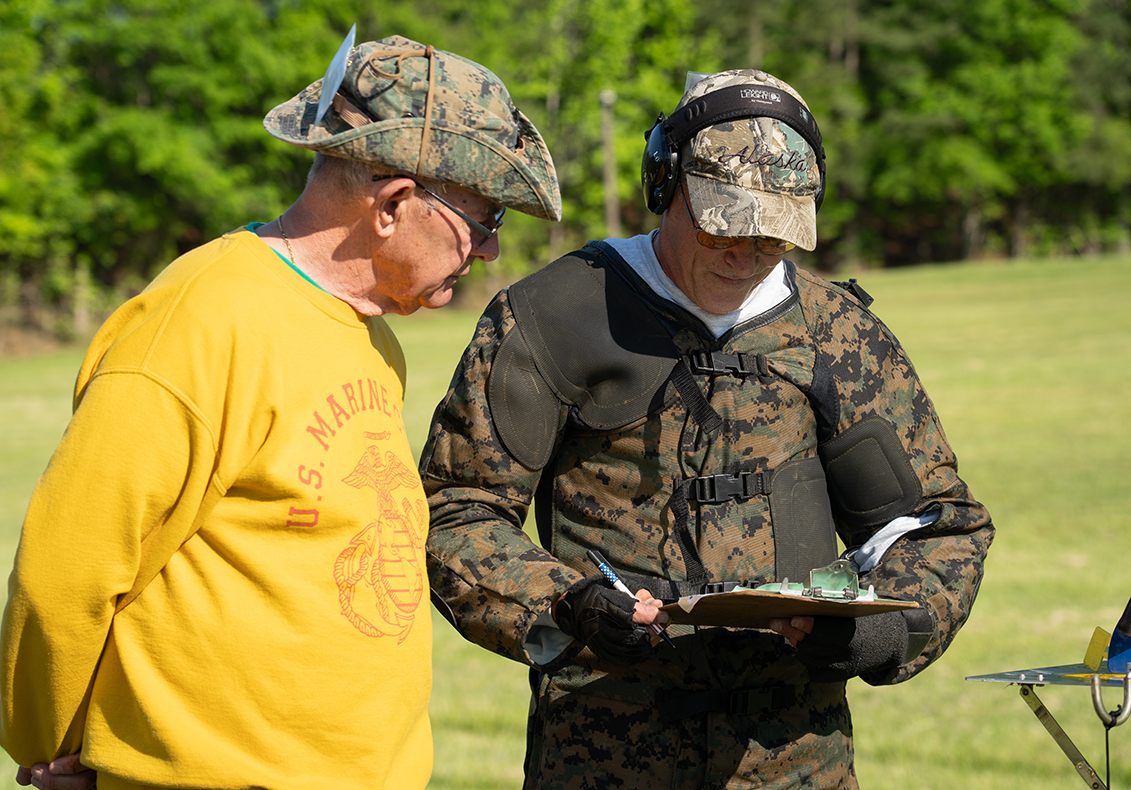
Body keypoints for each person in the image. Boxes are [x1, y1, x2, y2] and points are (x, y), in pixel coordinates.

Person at [0, 34, 561, 790]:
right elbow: (65, 575)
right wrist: (50, 746)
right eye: (483, 221)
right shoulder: (200, 322)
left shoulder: (373, 339)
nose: (488, 252)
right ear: (393, 206)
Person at [420, 68, 993, 788]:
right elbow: (456, 513)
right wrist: (566, 604)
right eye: (724, 223)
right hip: (602, 758)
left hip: (795, 766)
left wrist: (881, 632)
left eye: (771, 237)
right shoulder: (553, 316)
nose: (744, 254)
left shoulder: (839, 336)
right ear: (665, 184)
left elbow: (940, 529)